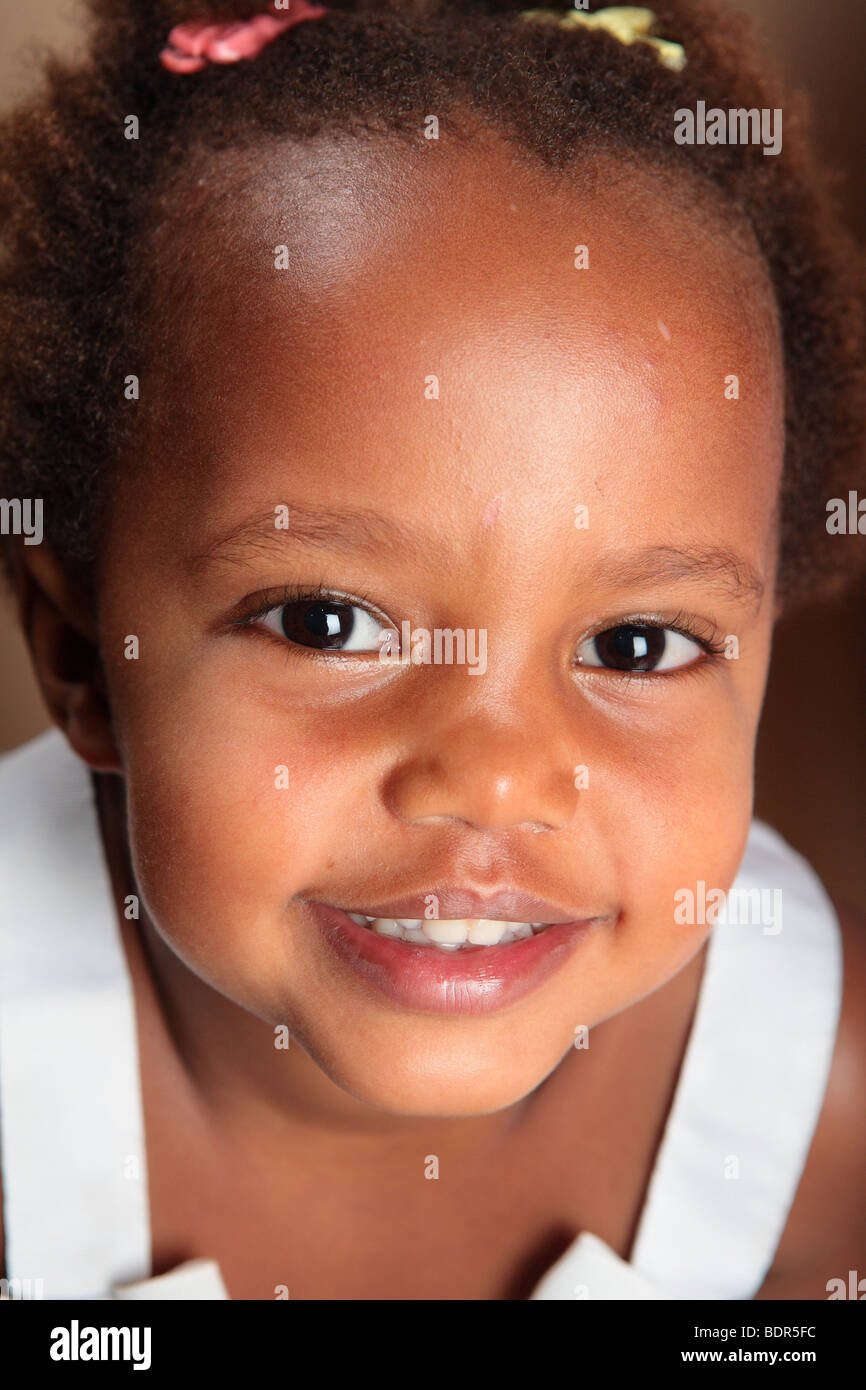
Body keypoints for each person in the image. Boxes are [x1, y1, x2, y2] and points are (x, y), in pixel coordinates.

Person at [0, 0, 864, 1301]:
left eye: (636, 641)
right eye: (325, 620)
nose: (498, 777)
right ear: (77, 654)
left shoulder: (817, 1115)